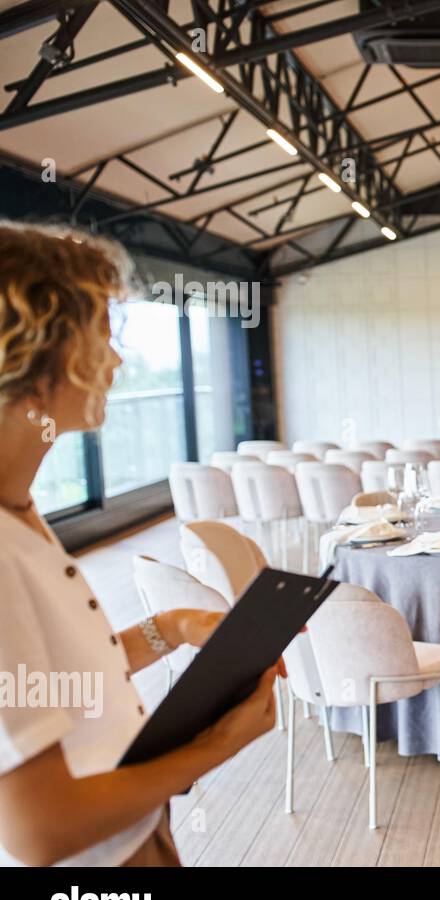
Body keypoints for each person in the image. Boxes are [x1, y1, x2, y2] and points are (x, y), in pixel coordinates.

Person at [0, 222, 280, 866]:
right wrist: (215, 745)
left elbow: (51, 685)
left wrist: (172, 626)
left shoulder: (20, 506)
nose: (119, 360)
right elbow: (38, 830)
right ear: (38, 348)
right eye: (103, 333)